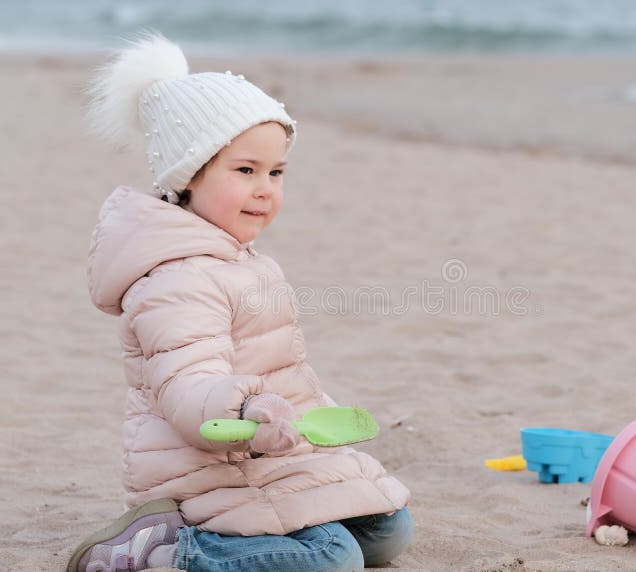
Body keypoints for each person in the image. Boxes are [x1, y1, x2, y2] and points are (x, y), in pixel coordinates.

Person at [67, 32, 412, 572]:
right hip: (205, 473)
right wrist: (249, 408)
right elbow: (188, 387)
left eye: (276, 173)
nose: (265, 189)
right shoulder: (175, 279)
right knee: (332, 557)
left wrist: (306, 415)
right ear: (188, 177)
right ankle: (162, 551)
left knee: (387, 526)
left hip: (267, 457)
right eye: (245, 170)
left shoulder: (239, 259)